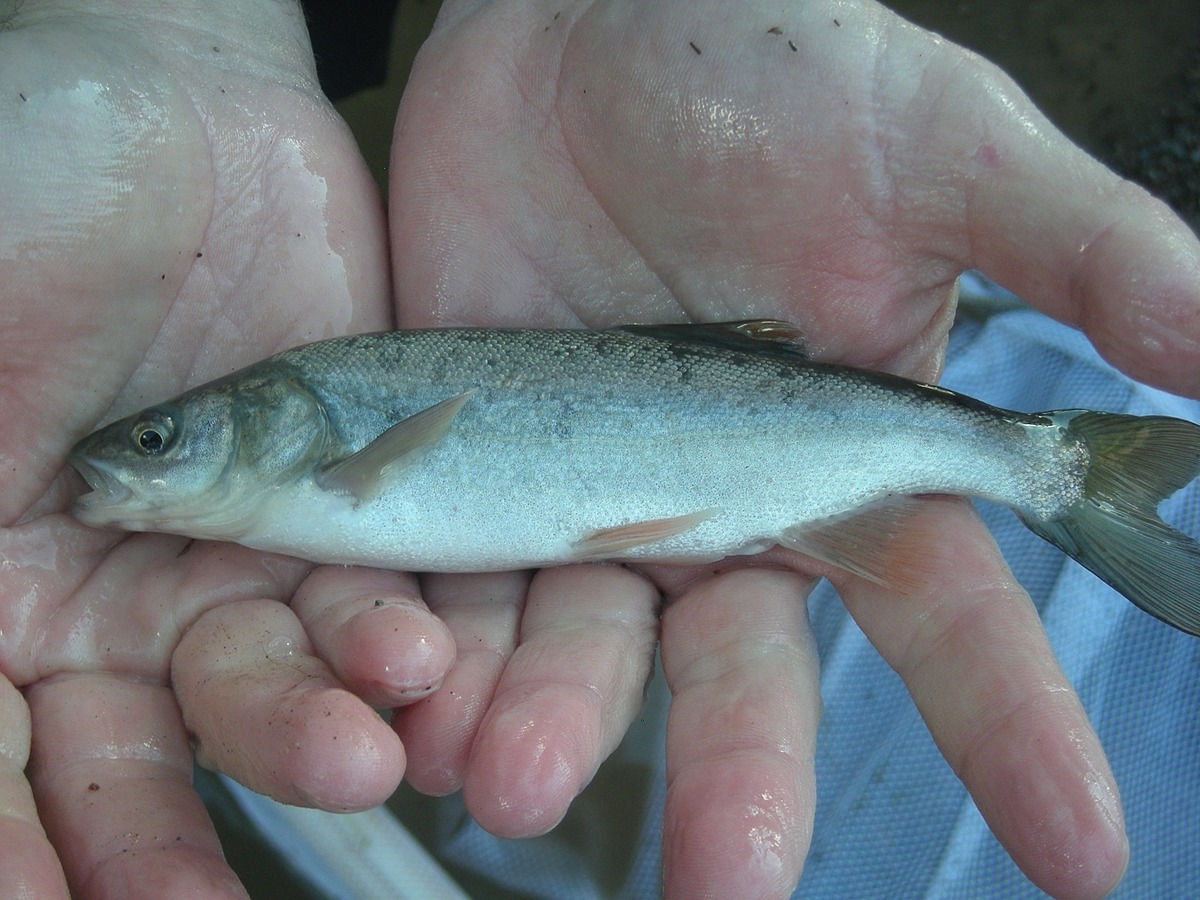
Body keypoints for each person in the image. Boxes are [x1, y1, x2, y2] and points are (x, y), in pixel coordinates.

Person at [1, 1, 1198, 897]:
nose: (136, 460)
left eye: (161, 440)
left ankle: (1055, 467)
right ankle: (1057, 466)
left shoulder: (319, 441)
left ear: (271, 424)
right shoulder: (303, 436)